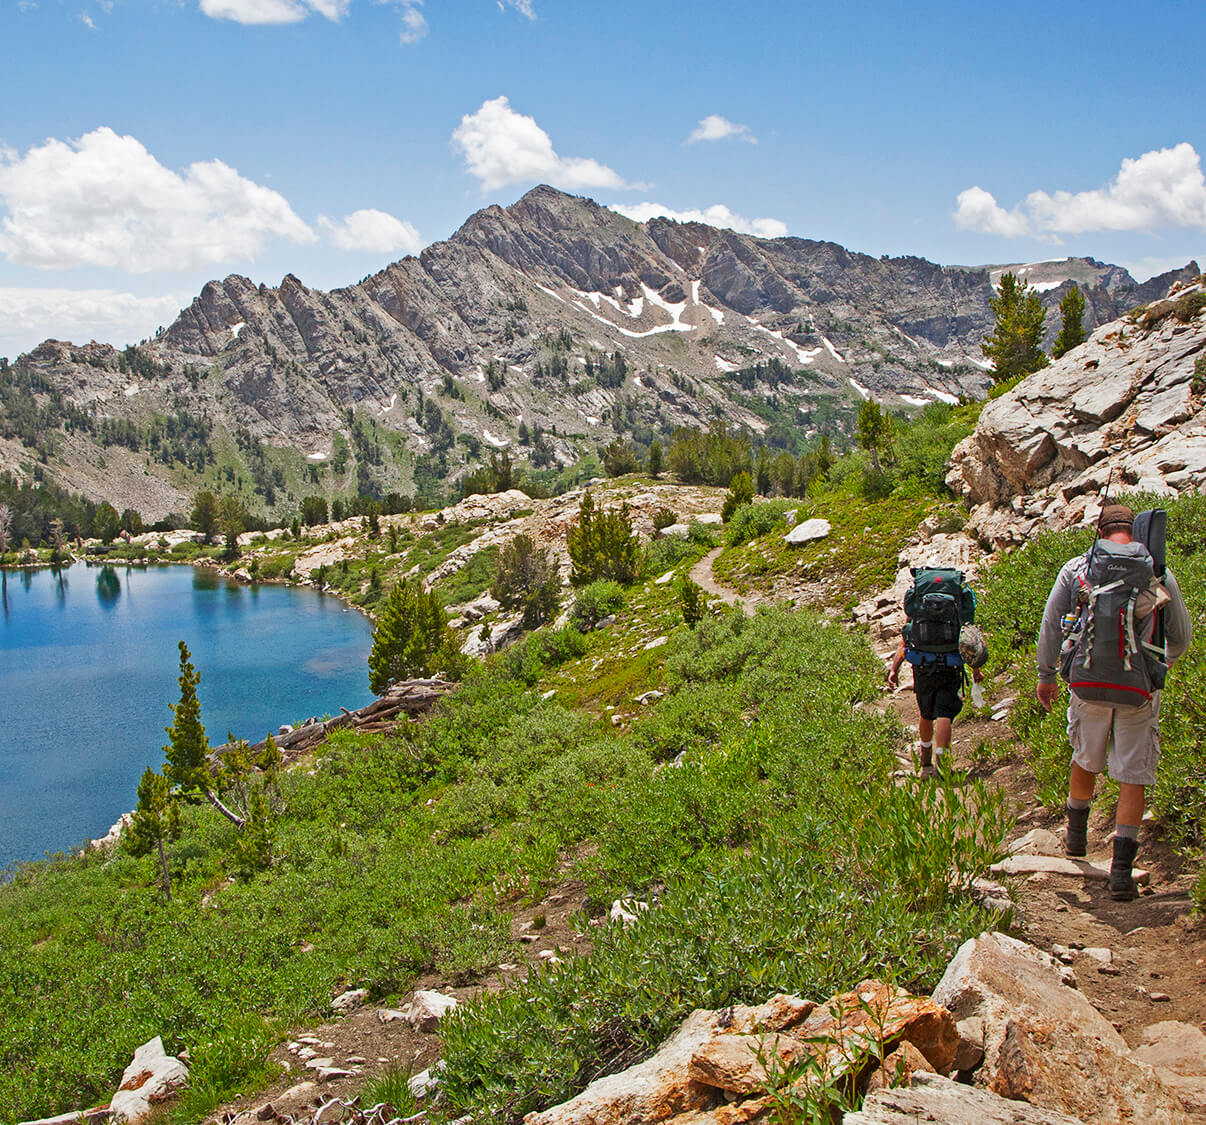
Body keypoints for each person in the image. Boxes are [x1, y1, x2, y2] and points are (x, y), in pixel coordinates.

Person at [1036, 504, 1193, 900]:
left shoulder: (1078, 568)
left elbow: (1052, 624)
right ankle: (1121, 873)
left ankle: (1076, 841)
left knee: (1085, 757)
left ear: (1100, 530)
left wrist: (1046, 675)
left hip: (1087, 684)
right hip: (1138, 690)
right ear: (1135, 531)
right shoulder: (1157, 573)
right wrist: (1159, 667)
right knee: (1133, 774)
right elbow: (1182, 636)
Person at [887, 590, 983, 777]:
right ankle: (942, 760)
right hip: (950, 667)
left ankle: (925, 756)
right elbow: (968, 642)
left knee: (926, 713)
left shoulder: (918, 609)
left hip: (923, 667)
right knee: (944, 714)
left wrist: (894, 670)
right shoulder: (955, 610)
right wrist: (976, 669)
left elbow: (904, 644)